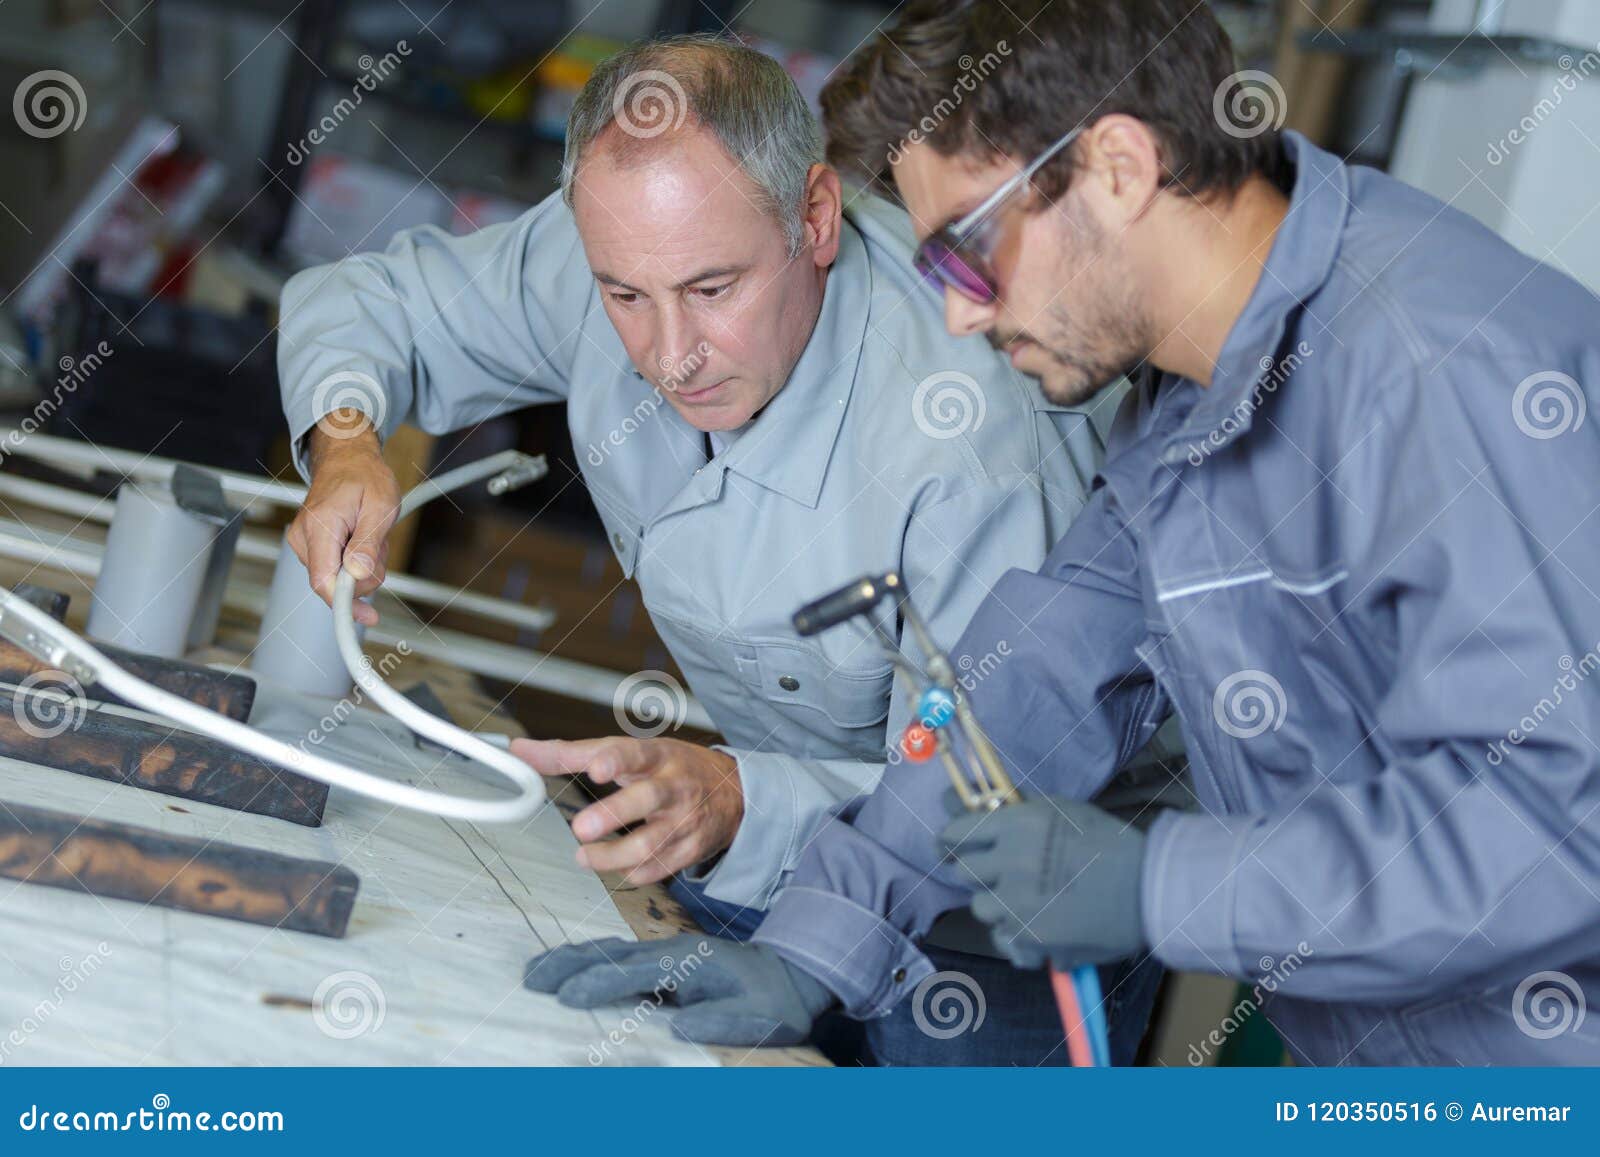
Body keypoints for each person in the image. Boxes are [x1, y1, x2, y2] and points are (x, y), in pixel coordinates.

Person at [529, 0, 1600, 1065]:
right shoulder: (1185, 396)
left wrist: (1158, 884)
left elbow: (1563, 826)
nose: (956, 313)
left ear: (1120, 168)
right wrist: (817, 944)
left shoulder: (1445, 369)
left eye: (959, 253)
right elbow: (1033, 675)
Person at [277, 34, 1168, 1065]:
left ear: (817, 219)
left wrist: (745, 796)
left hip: (997, 914)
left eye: (713, 290)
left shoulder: (969, 445)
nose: (669, 355)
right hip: (758, 831)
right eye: (624, 298)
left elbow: (983, 792)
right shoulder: (629, 245)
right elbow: (371, 304)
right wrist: (347, 440)